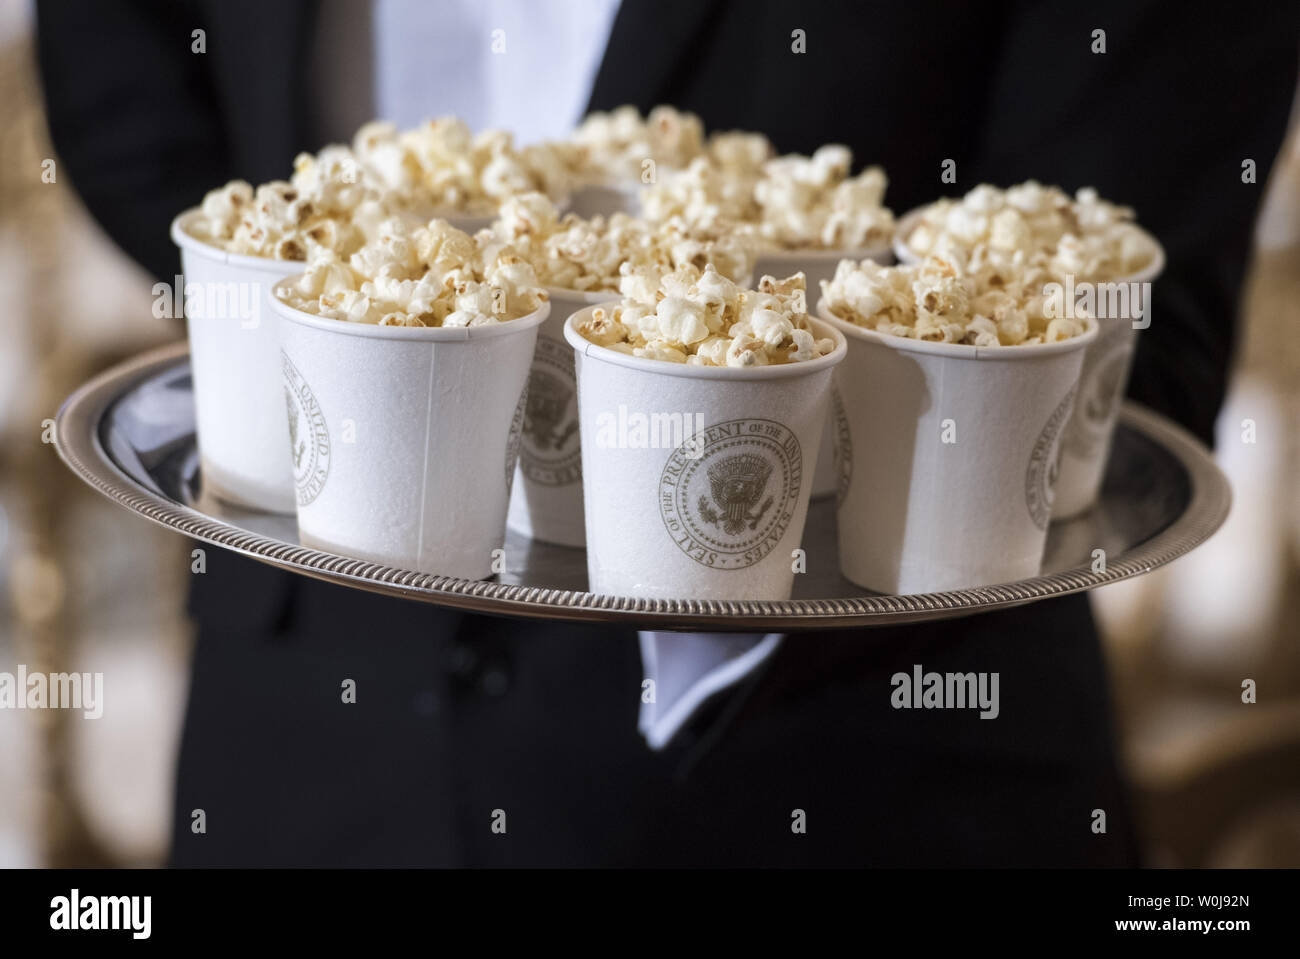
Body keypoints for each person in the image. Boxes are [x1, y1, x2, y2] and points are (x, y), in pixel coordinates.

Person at [36, 0, 1298, 866]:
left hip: (864, 779)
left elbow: (1141, 313)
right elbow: (122, 82)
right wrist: (319, 321)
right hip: (305, 735)